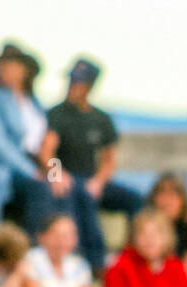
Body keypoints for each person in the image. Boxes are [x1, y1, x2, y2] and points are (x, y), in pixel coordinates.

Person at [40, 58, 146, 275]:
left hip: (92, 179)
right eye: (72, 81)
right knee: (82, 196)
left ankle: (132, 257)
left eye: (79, 82)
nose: (74, 86)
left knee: (136, 200)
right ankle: (92, 262)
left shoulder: (101, 119)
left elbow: (109, 160)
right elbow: (47, 151)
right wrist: (57, 173)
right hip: (68, 178)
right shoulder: (57, 114)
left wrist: (98, 181)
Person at [0, 43, 55, 236]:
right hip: (3, 168)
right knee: (40, 188)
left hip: (38, 164)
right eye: (1, 65)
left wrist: (54, 170)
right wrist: (31, 171)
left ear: (24, 70)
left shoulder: (34, 103)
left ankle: (66, 253)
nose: (3, 69)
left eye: (10, 65)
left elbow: (49, 146)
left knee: (64, 189)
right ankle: (35, 249)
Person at [26, 213, 92, 287]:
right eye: (57, 235)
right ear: (42, 236)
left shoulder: (80, 265)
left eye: (68, 236)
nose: (62, 241)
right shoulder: (31, 260)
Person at [148, 172, 187, 284]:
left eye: (174, 194)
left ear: (183, 201)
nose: (168, 200)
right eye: (162, 193)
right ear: (153, 198)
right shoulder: (143, 227)